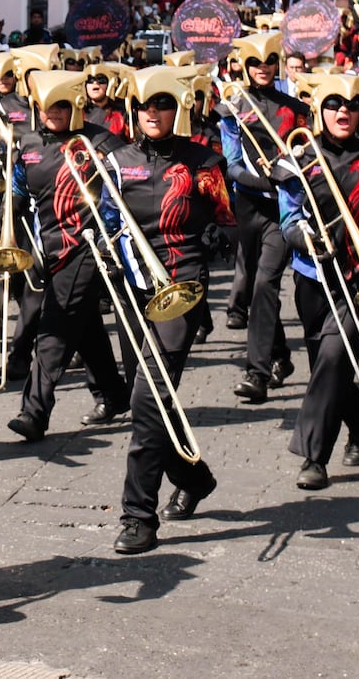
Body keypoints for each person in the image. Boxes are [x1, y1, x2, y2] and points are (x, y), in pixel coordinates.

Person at [99, 69, 228, 554]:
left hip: (182, 286)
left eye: (162, 103)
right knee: (155, 398)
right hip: (133, 286)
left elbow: (225, 216)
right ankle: (194, 479)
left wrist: (216, 235)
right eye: (143, 105)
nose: (151, 112)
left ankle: (139, 517)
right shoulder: (116, 160)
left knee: (147, 400)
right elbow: (109, 217)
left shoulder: (203, 160)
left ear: (178, 108)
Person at [277, 74, 359, 489]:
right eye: (333, 104)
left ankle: (314, 457)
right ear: (320, 110)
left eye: (351, 105)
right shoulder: (299, 157)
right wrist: (305, 237)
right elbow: (287, 219)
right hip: (313, 275)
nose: (342, 112)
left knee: (334, 357)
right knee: (326, 364)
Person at [5, 69, 126, 442]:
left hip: (88, 246)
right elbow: (18, 192)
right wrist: (8, 230)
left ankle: (34, 412)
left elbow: (124, 190)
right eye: (43, 106)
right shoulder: (28, 144)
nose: (50, 112)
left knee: (54, 328)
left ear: (75, 103)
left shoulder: (104, 142)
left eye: (58, 105)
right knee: (85, 324)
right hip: (49, 247)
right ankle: (113, 392)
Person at [218, 32, 303, 402]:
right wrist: (261, 178)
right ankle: (280, 355)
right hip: (249, 204)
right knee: (254, 288)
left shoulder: (295, 107)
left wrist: (286, 173)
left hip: (282, 207)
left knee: (267, 283)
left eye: (269, 61)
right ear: (245, 66)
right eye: (255, 63)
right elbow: (232, 164)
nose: (263, 68)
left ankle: (257, 372)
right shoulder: (233, 107)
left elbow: (307, 153)